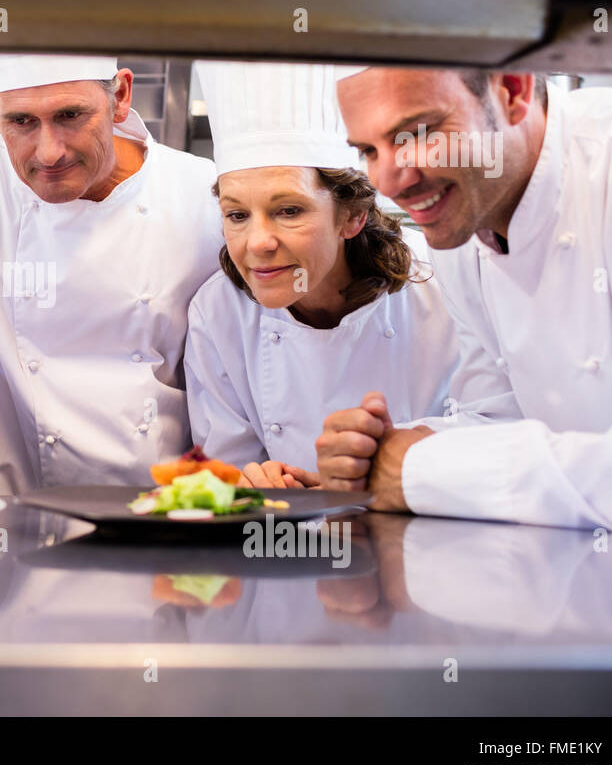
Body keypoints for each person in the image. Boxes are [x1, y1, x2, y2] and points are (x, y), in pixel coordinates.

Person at [0, 53, 223, 494]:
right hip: (10, 518)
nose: (49, 152)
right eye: (21, 122)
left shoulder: (204, 194)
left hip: (162, 513)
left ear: (121, 96)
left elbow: (225, 377)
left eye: (70, 115)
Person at [318, 68, 612, 532]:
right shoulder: (461, 230)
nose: (389, 182)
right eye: (369, 151)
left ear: (512, 90)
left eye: (418, 134)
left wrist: (420, 471)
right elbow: (499, 416)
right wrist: (385, 451)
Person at [185, 62, 458, 488]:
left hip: (424, 542)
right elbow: (225, 475)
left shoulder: (444, 290)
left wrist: (381, 473)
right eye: (237, 215)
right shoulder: (217, 312)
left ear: (351, 217)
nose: (258, 242)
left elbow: (493, 437)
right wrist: (255, 486)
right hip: (282, 548)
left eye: (288, 211)